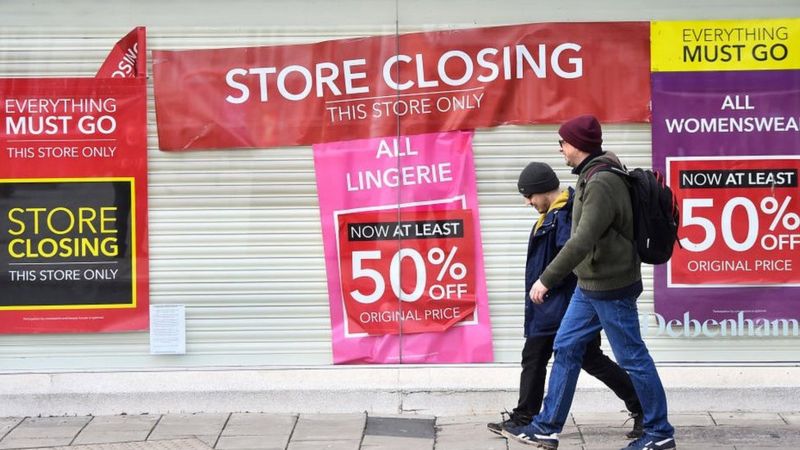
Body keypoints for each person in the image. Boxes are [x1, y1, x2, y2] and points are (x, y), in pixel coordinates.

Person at [502, 116, 676, 450]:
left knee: (633, 358)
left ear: (577, 145)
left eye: (563, 143)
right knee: (566, 347)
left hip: (611, 286)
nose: (561, 149)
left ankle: (659, 432)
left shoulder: (601, 182)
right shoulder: (591, 174)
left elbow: (582, 239)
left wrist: (546, 279)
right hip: (590, 284)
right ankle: (546, 427)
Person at [487, 162, 643, 440]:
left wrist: (547, 284)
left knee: (536, 356)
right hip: (555, 304)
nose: (528, 202)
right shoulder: (556, 212)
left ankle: (527, 416)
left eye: (529, 196)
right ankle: (640, 406)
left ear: (540, 191)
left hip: (561, 305)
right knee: (588, 359)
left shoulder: (565, 215)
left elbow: (572, 258)